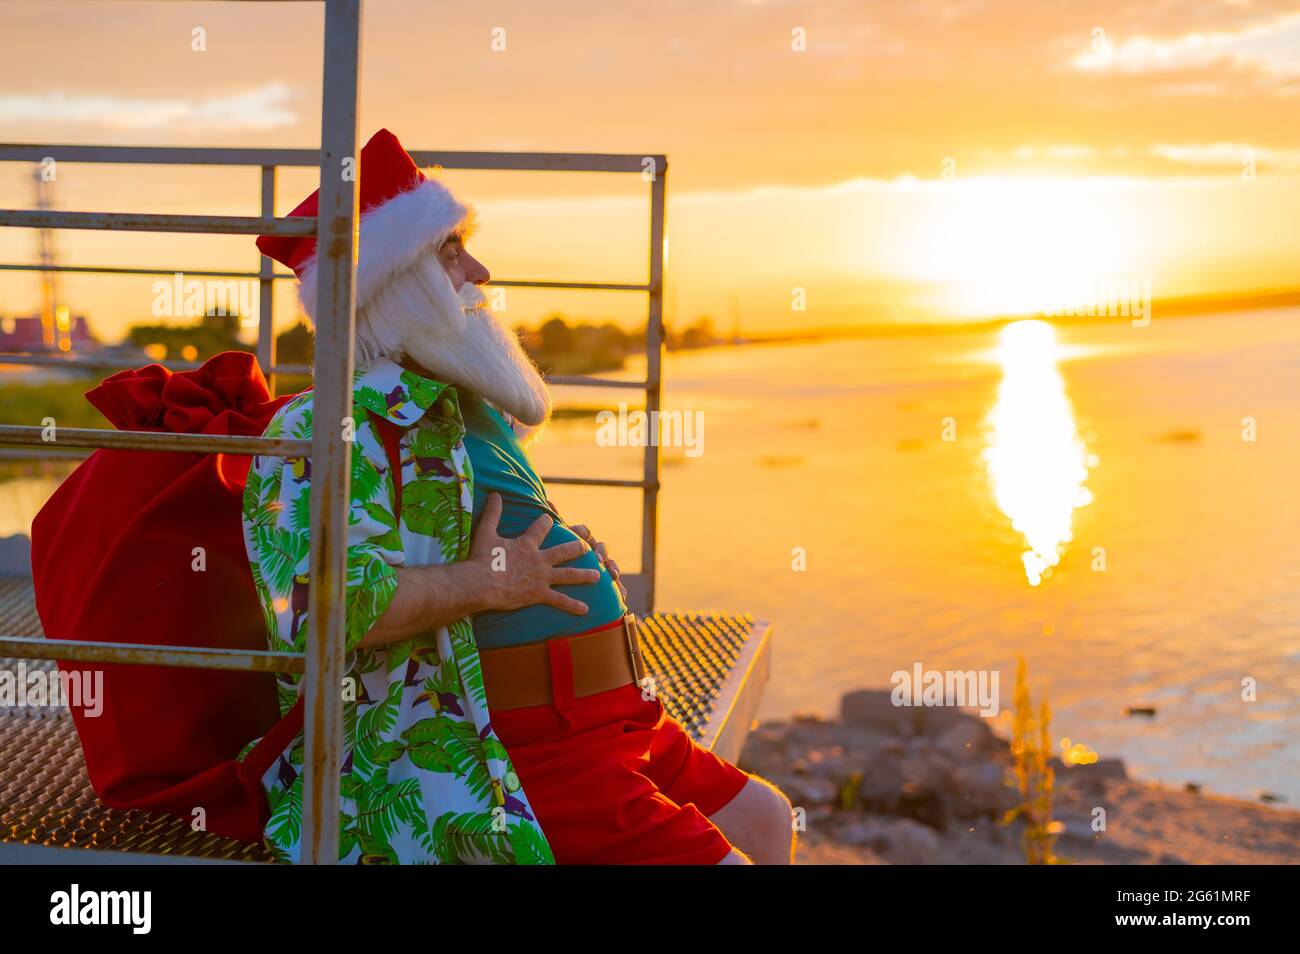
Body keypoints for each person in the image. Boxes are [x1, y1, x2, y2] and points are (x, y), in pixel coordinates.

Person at [249, 128, 793, 864]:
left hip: (615, 715)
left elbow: (484, 525)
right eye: (452, 252)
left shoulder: (465, 400)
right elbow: (313, 609)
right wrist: (486, 582)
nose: (480, 269)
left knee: (766, 817)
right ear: (397, 284)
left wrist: (562, 550)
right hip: (512, 741)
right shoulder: (323, 424)